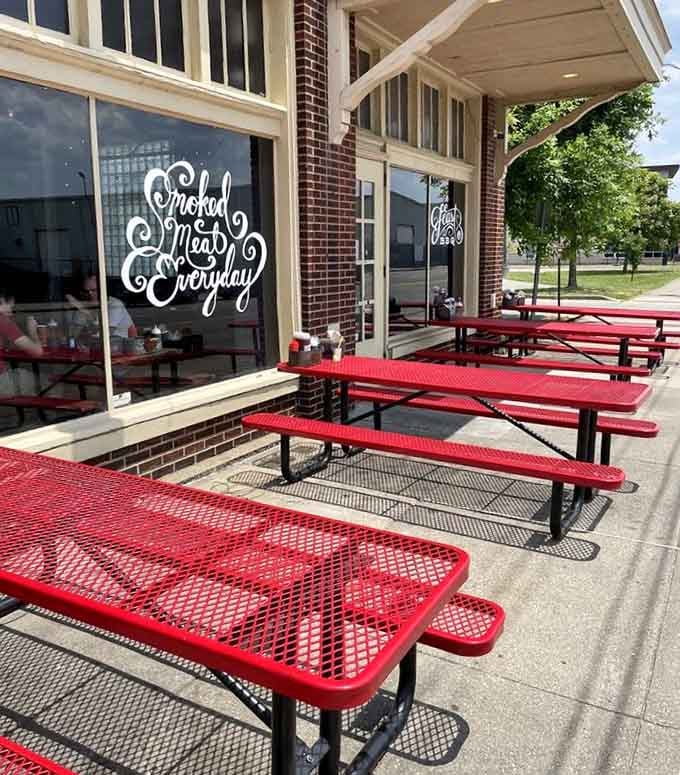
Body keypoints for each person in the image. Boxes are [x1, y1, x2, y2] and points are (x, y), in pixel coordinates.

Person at [0, 286, 43, 395]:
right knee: (49, 383)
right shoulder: (3, 321)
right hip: (2, 381)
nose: (12, 311)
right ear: (3, 301)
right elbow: (37, 352)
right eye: (11, 306)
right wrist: (33, 331)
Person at [67, 274, 137, 339]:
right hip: (94, 347)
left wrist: (85, 311)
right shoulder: (84, 305)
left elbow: (106, 334)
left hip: (119, 346)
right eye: (86, 291)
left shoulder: (114, 304)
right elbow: (74, 335)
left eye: (93, 290)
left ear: (102, 288)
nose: (90, 294)